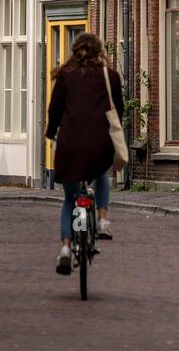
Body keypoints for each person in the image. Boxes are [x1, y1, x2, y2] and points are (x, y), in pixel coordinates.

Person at [45, 32, 124, 275]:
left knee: (70, 200)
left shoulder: (66, 76)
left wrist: (50, 133)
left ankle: (67, 248)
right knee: (100, 173)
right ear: (99, 51)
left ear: (75, 51)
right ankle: (102, 219)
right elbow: (118, 109)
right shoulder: (109, 76)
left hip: (70, 146)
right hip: (99, 144)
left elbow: (54, 110)